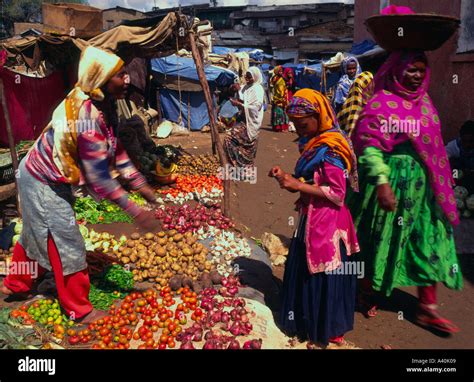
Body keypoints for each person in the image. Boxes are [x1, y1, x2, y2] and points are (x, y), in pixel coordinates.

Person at [0, 46, 159, 323]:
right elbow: (100, 178)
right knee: (68, 242)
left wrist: (140, 182)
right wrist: (136, 211)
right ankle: (78, 309)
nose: (128, 79)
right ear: (100, 78)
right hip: (42, 179)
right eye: (120, 75)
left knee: (35, 233)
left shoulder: (104, 105)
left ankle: (16, 284)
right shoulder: (86, 116)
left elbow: (115, 148)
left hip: (44, 175)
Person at [348, 51, 462, 333]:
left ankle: (427, 308)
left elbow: (434, 144)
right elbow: (368, 144)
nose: (417, 76)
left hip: (424, 189)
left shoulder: (425, 103)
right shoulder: (381, 103)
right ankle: (366, 292)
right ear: (397, 71)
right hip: (390, 185)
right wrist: (383, 183)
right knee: (378, 242)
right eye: (411, 70)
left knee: (430, 241)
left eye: (422, 70)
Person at [272, 89, 360, 347]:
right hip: (312, 217)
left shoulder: (331, 149)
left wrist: (297, 186)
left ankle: (327, 327)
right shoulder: (313, 143)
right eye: (296, 125)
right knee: (311, 271)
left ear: (318, 115)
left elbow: (337, 193)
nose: (299, 130)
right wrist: (287, 178)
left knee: (324, 272)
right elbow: (312, 180)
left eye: (303, 124)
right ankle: (306, 322)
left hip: (328, 222)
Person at [224, 67, 265, 169]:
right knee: (231, 139)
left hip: (250, 122)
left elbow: (255, 107)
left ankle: (239, 166)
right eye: (246, 75)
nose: (246, 77)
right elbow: (242, 98)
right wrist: (236, 90)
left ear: (255, 77)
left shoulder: (258, 89)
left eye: (249, 76)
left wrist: (239, 104)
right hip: (242, 120)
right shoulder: (246, 87)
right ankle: (235, 165)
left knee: (229, 138)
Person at [336, 71, 374, 137]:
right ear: (361, 88)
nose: (372, 88)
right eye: (368, 86)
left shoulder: (374, 102)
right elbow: (351, 133)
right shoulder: (354, 108)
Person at [445, 120, 474, 192]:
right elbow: (442, 161)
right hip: (459, 175)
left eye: (471, 141)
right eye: (464, 141)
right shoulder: (453, 147)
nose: (467, 145)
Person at [270, 66, 290, 132]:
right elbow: (272, 86)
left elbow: (284, 87)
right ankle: (277, 127)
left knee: (282, 113)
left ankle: (283, 127)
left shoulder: (283, 78)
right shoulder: (274, 78)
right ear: (276, 71)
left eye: (282, 71)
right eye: (279, 71)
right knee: (277, 113)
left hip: (282, 97)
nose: (281, 72)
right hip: (277, 97)